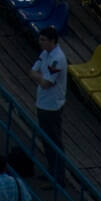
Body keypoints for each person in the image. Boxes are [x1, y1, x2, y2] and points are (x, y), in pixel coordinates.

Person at [30, 26, 67, 187]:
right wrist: (40, 77)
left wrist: (39, 77)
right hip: (43, 103)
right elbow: (32, 71)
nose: (40, 42)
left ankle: (59, 176)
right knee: (47, 140)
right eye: (40, 39)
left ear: (52, 41)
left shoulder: (57, 59)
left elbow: (46, 82)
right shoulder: (46, 53)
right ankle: (52, 171)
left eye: (43, 40)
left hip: (52, 105)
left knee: (54, 141)